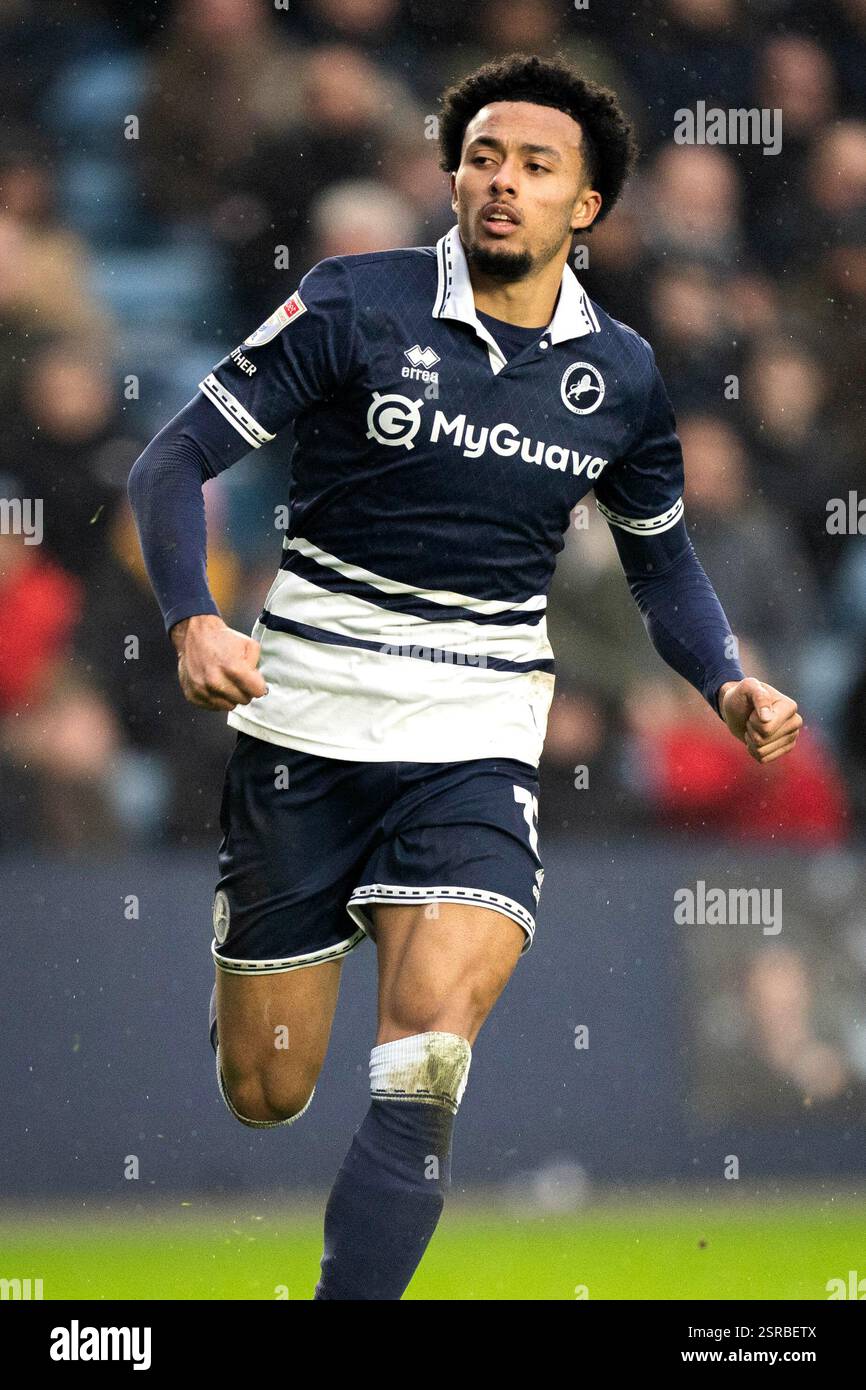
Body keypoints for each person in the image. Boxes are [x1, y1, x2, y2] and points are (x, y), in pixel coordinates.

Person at [127, 52, 802, 1300]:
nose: (501, 181)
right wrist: (190, 620)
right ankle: (258, 975)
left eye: (535, 166)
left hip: (474, 736)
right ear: (450, 177)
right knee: (266, 1089)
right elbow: (169, 462)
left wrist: (725, 680)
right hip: (304, 729)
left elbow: (660, 564)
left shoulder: (621, 375)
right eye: (482, 157)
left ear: (583, 206)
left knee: (426, 1053)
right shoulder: (354, 302)